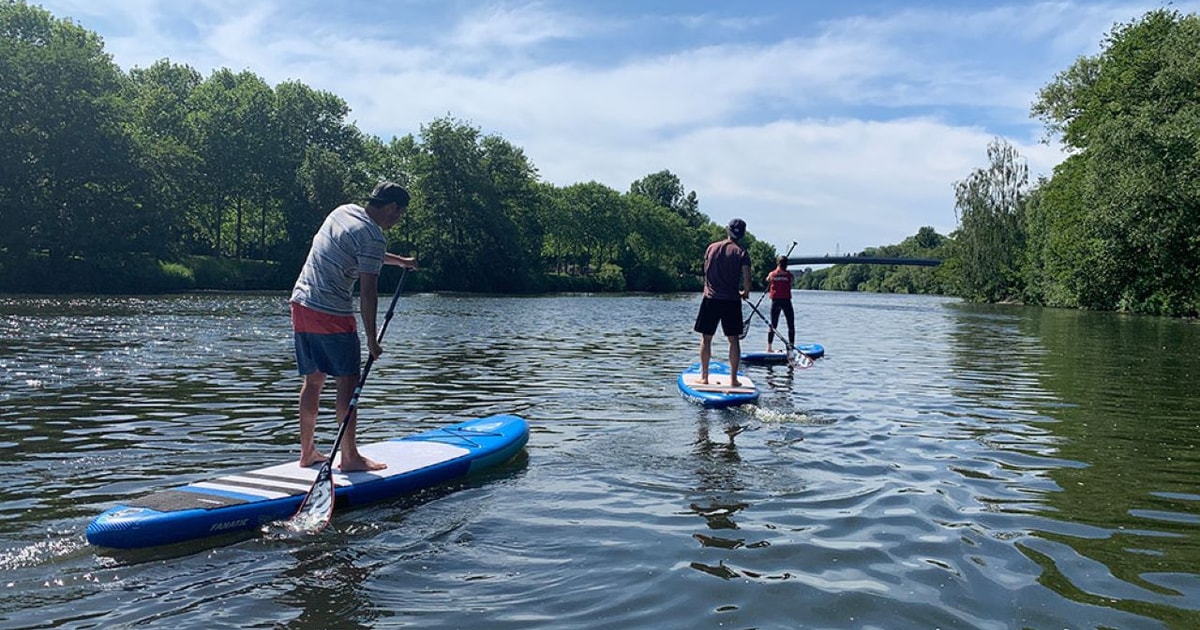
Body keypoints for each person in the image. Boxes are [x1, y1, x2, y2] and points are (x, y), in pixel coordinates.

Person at [289, 181, 417, 472]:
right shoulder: (373, 236)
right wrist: (372, 339)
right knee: (347, 382)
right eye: (399, 215)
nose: (397, 221)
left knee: (313, 381)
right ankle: (349, 457)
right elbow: (368, 292)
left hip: (300, 303)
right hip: (331, 311)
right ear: (391, 208)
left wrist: (400, 262)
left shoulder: (343, 212)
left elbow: (359, 251)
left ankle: (307, 453)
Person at [693, 218, 752, 386]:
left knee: (706, 338)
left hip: (710, 298)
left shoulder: (711, 248)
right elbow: (747, 279)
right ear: (743, 234)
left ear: (728, 230)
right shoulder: (742, 253)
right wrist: (745, 293)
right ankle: (733, 380)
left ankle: (704, 377)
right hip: (732, 301)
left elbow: (706, 271)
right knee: (734, 340)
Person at [765, 255, 795, 353]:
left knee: (773, 325)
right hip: (786, 301)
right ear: (786, 265)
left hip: (775, 301)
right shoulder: (789, 275)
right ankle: (791, 346)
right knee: (790, 324)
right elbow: (791, 282)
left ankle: (769, 348)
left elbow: (767, 280)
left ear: (778, 263)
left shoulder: (772, 274)